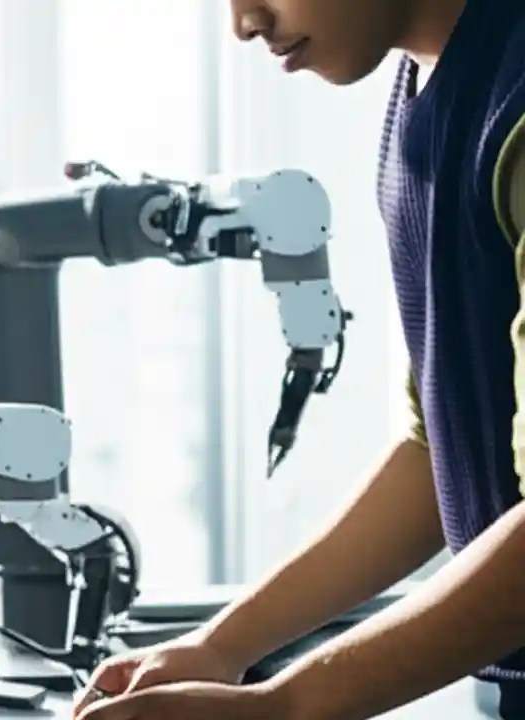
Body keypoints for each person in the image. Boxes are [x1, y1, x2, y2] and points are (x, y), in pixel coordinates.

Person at [74, 0, 525, 718]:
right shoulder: (421, 97)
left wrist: (284, 707)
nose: (244, 21)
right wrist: (225, 646)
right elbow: (437, 448)